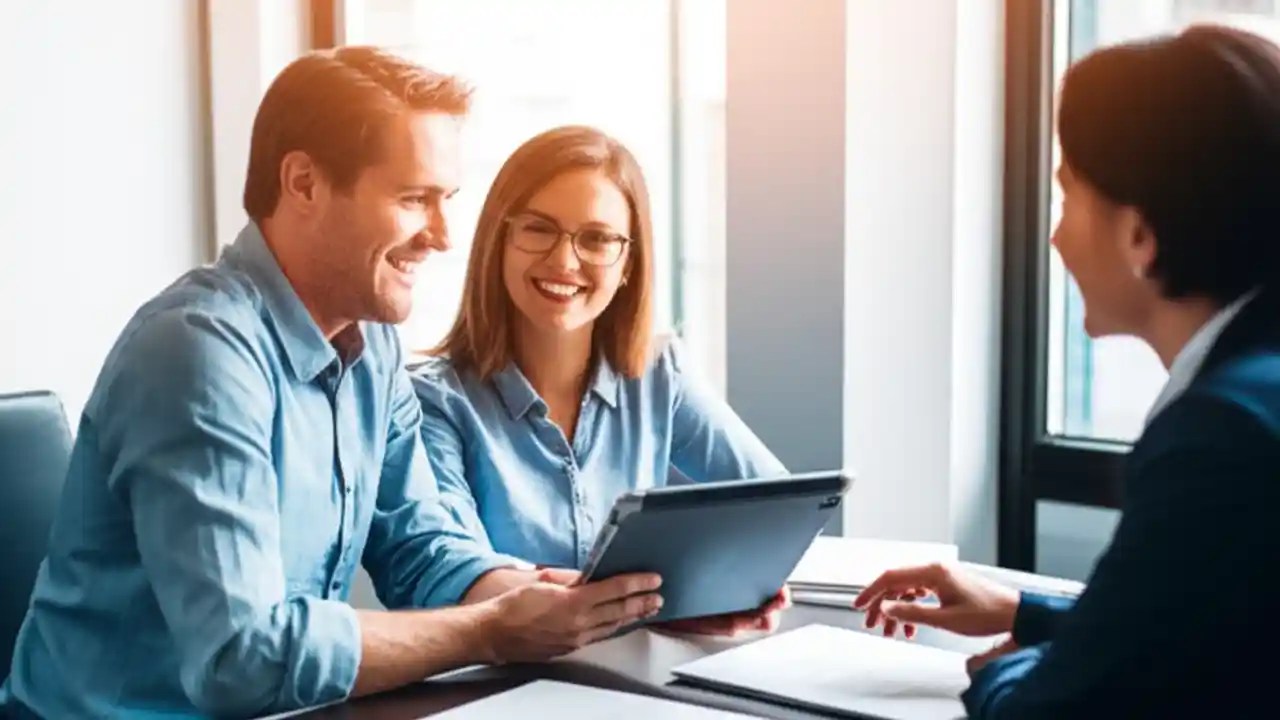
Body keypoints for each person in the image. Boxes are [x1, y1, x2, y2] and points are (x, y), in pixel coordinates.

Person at [0, 48, 665, 719]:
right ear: (304, 184)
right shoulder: (198, 354)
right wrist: (488, 629)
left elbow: (419, 544)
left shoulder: (370, 342)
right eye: (414, 199)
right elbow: (241, 658)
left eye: (446, 200)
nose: (441, 236)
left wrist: (541, 598)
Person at [855, 25, 1280, 718]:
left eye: (1067, 195)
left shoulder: (1223, 432)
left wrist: (1013, 667)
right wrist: (1026, 613)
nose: (1054, 236)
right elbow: (1201, 621)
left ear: (1139, 234)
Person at [410, 125, 790, 635]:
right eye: (538, 229)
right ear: (500, 240)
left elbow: (773, 503)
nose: (564, 261)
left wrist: (706, 593)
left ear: (628, 262)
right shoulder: (435, 401)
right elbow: (451, 565)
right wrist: (647, 602)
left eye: (597, 239)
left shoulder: (660, 374)